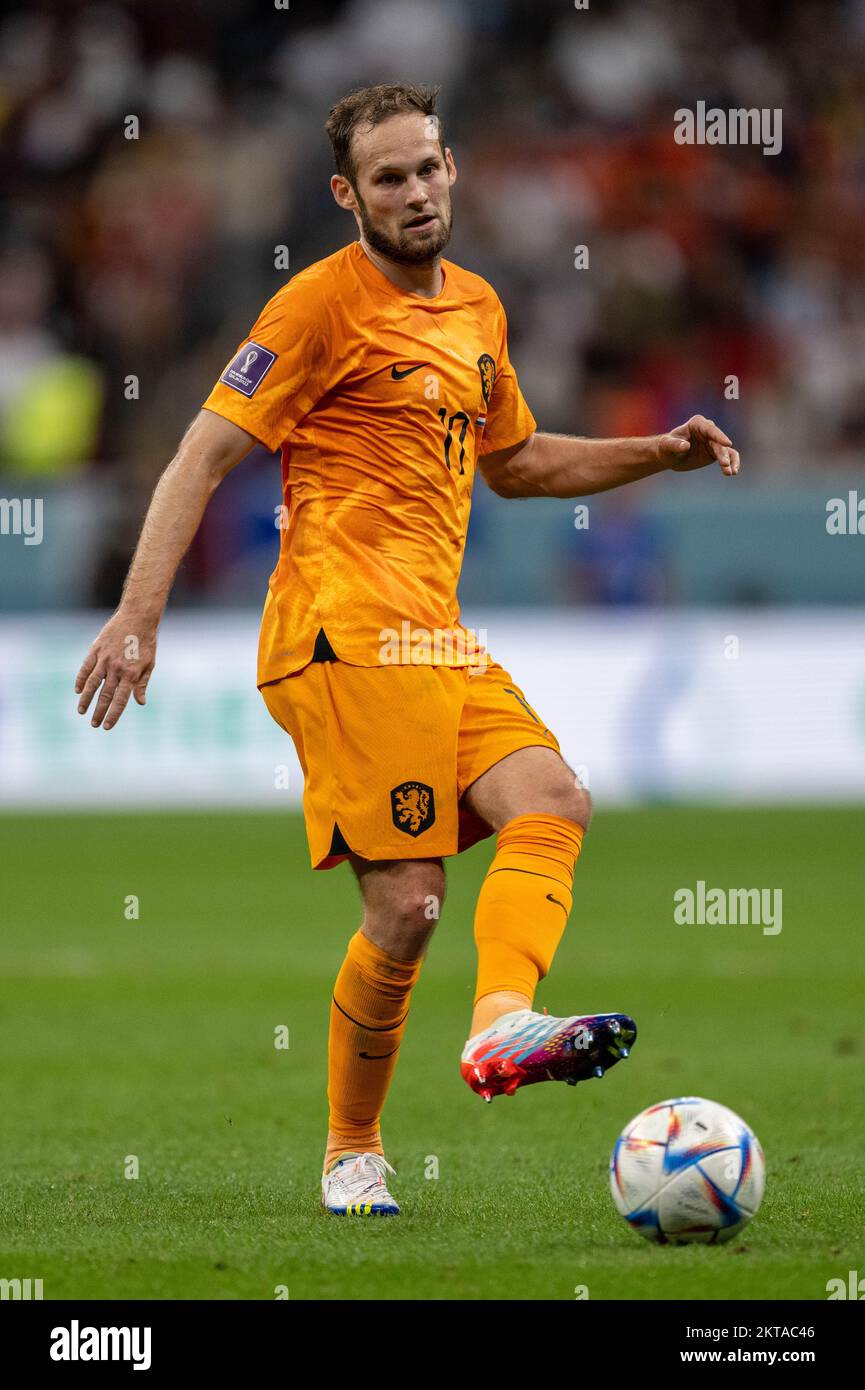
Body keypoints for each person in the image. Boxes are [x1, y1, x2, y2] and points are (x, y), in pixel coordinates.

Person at [74, 83, 740, 1218]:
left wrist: (656, 454)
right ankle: (353, 1150)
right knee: (412, 903)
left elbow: (518, 464)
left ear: (451, 168)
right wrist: (138, 614)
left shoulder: (478, 307)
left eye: (428, 167)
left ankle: (496, 1028)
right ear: (347, 195)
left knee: (553, 800)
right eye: (389, 177)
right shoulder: (313, 308)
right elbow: (197, 457)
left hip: (434, 635)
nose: (417, 192)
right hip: (335, 631)